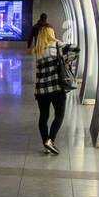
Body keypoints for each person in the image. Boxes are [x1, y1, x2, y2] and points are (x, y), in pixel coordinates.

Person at [33, 23, 68, 155]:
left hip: (41, 90)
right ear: (51, 34)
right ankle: (51, 140)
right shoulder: (58, 46)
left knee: (44, 116)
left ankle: (45, 141)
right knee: (59, 115)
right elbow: (76, 49)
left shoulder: (38, 50)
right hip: (56, 88)